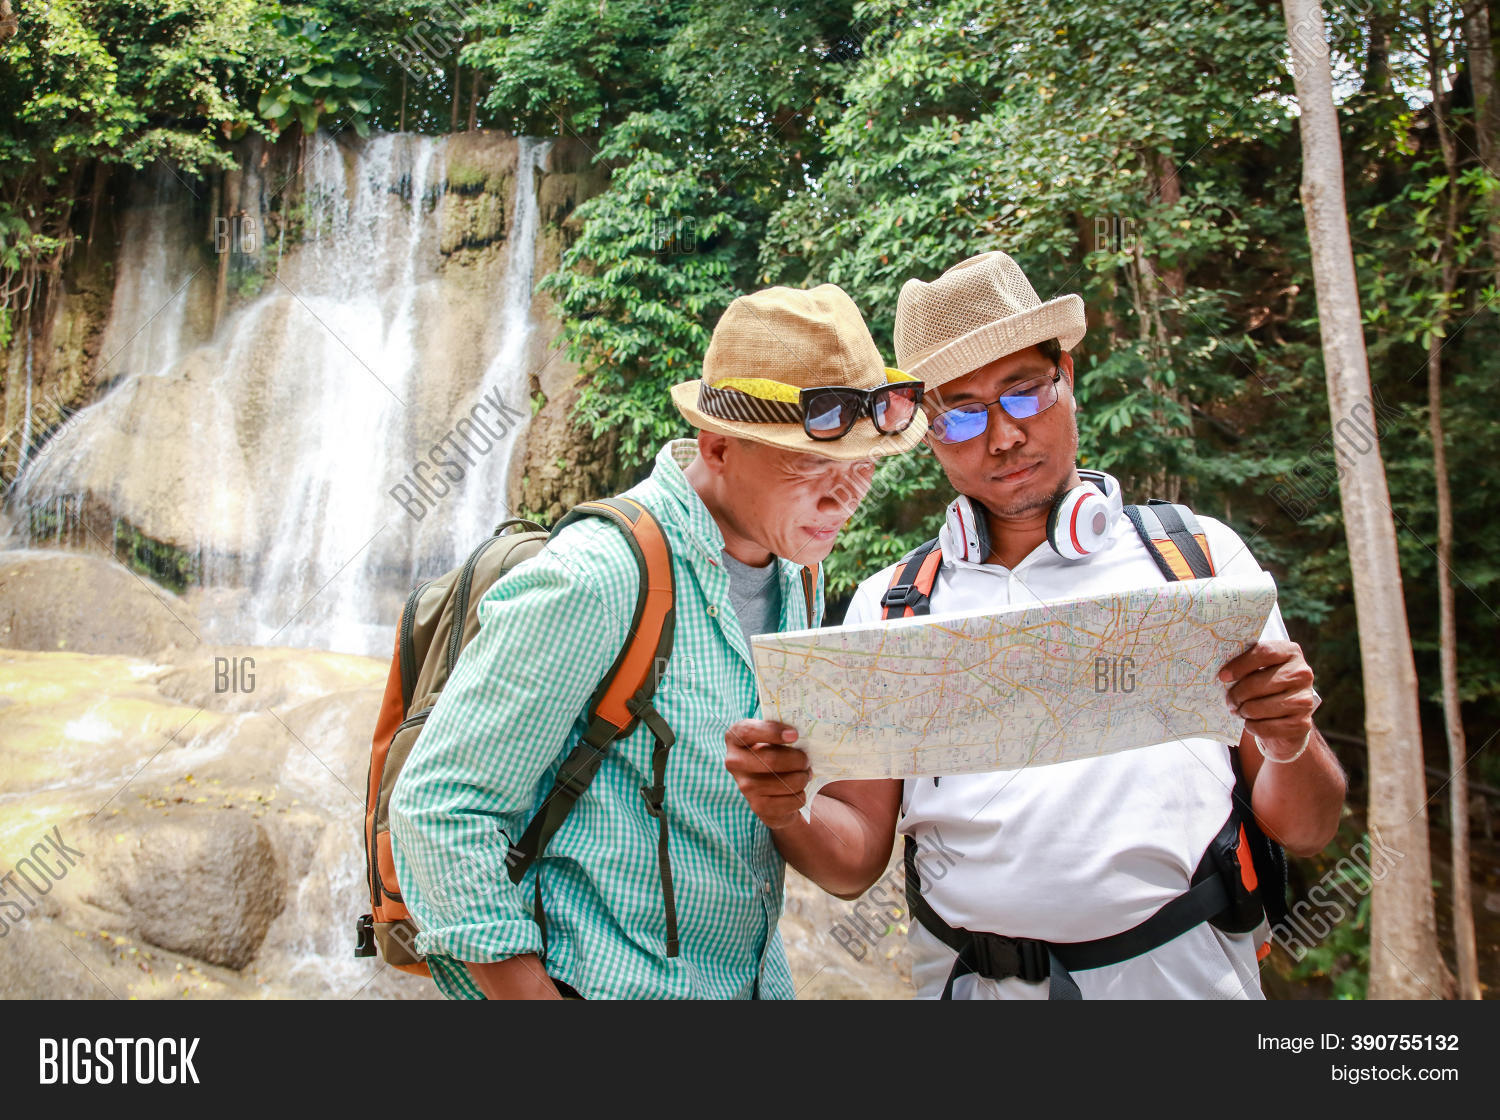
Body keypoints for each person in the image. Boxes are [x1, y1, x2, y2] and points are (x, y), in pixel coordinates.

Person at [725, 252, 1346, 999]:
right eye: (958, 412)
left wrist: (1289, 742)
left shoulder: (1198, 564)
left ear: (1069, 380)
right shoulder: (892, 609)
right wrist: (788, 808)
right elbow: (854, 862)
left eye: (1023, 394)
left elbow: (1308, 829)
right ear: (924, 429)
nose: (1002, 437)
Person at [389, 283, 926, 999]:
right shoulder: (602, 576)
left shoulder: (797, 572)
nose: (845, 496)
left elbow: (832, 854)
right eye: (812, 465)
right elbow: (440, 809)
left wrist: (789, 804)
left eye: (864, 465)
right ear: (718, 445)